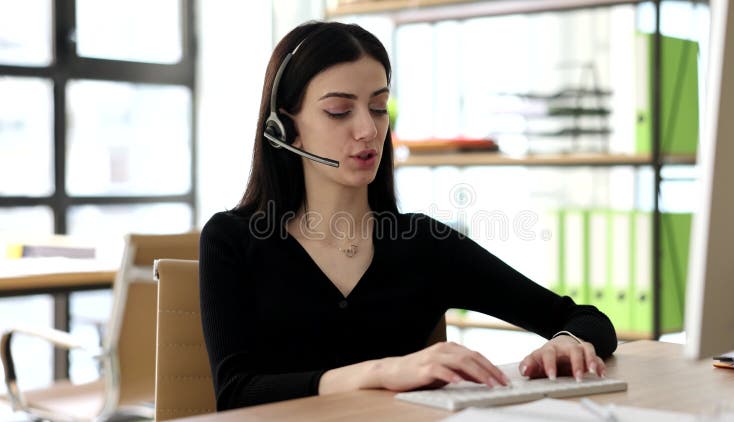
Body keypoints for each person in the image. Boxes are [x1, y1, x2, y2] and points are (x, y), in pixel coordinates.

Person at [199, 20, 617, 412]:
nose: (368, 130)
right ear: (283, 128)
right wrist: (380, 371)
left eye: (379, 108)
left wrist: (565, 342)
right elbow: (236, 394)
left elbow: (588, 320)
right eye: (340, 111)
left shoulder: (422, 243)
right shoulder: (233, 239)